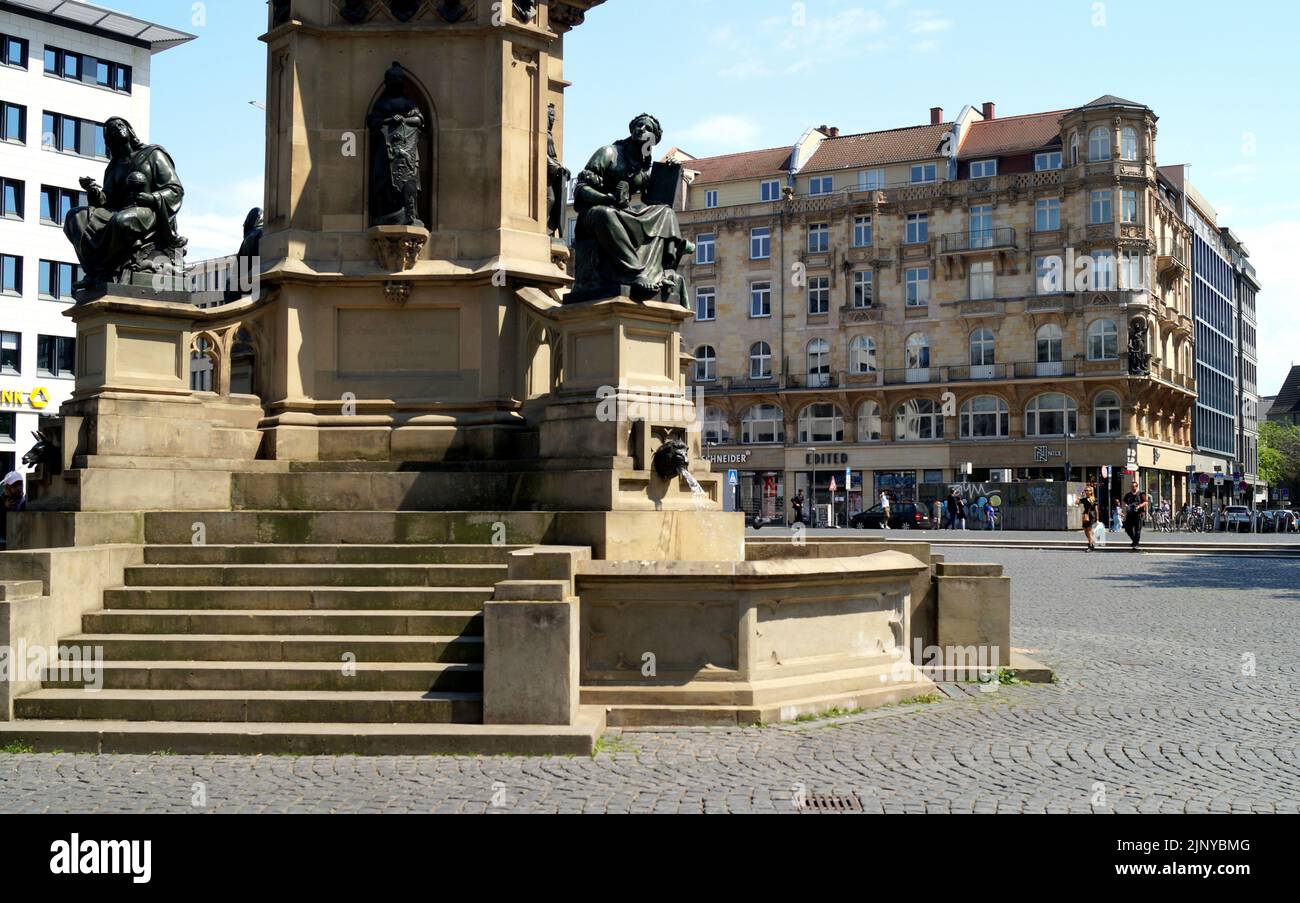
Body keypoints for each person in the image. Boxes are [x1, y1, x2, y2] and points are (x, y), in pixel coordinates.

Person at [1122, 481, 1149, 551]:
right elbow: (1124, 501)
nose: (1133, 488)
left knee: (1137, 530)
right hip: (1130, 514)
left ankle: (1136, 544)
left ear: (1137, 486)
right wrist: (1126, 505)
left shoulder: (1141, 494)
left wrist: (1139, 506)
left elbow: (1146, 502)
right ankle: (1134, 540)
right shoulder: (1128, 494)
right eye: (1132, 486)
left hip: (1138, 514)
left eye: (1134, 486)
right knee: (1127, 529)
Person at [1079, 486, 1100, 552]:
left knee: (1089, 530)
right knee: (1085, 530)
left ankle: (1090, 546)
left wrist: (1097, 518)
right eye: (1085, 490)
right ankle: (1092, 542)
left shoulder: (1094, 499)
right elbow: (1076, 503)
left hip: (1091, 515)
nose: (1086, 491)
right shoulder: (1084, 499)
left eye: (1088, 490)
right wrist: (1080, 495)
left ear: (1091, 492)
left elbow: (1096, 510)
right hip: (1085, 515)